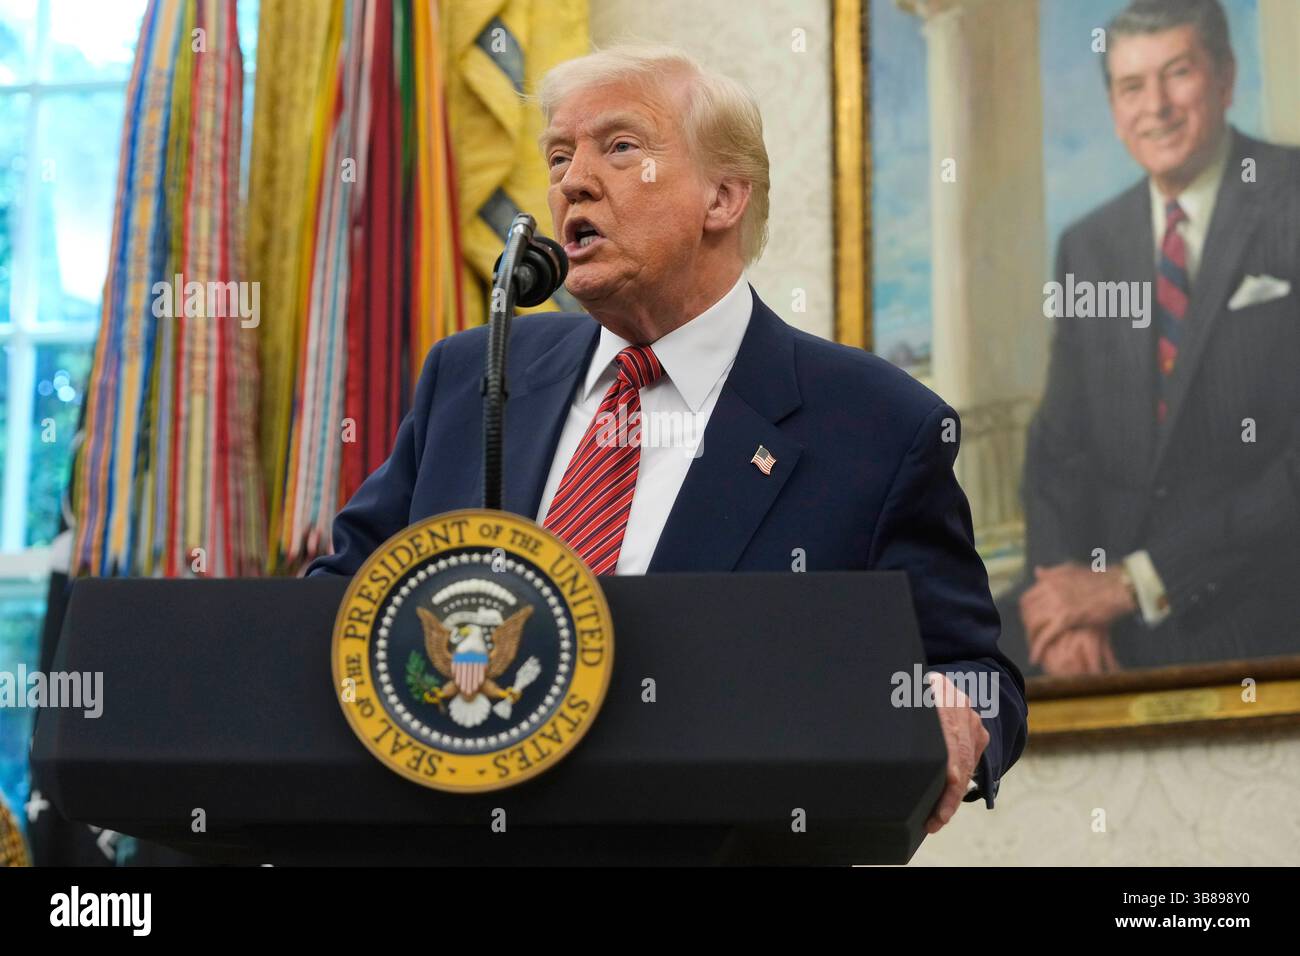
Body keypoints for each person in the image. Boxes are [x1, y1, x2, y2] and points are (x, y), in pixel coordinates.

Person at [308, 44, 1026, 832]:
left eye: (619, 148)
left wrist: (952, 707)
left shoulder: (877, 425)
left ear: (722, 197)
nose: (571, 181)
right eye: (558, 155)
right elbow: (337, 607)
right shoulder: (472, 378)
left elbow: (977, 674)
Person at [1018, 0, 1300, 675]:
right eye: (1131, 86)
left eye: (1178, 73)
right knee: (934, 672)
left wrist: (1133, 582)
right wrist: (1065, 605)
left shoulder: (1291, 200)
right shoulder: (1089, 245)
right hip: (1105, 603)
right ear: (1114, 107)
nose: (1157, 106)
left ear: (1226, 79)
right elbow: (1058, 448)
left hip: (1257, 591)